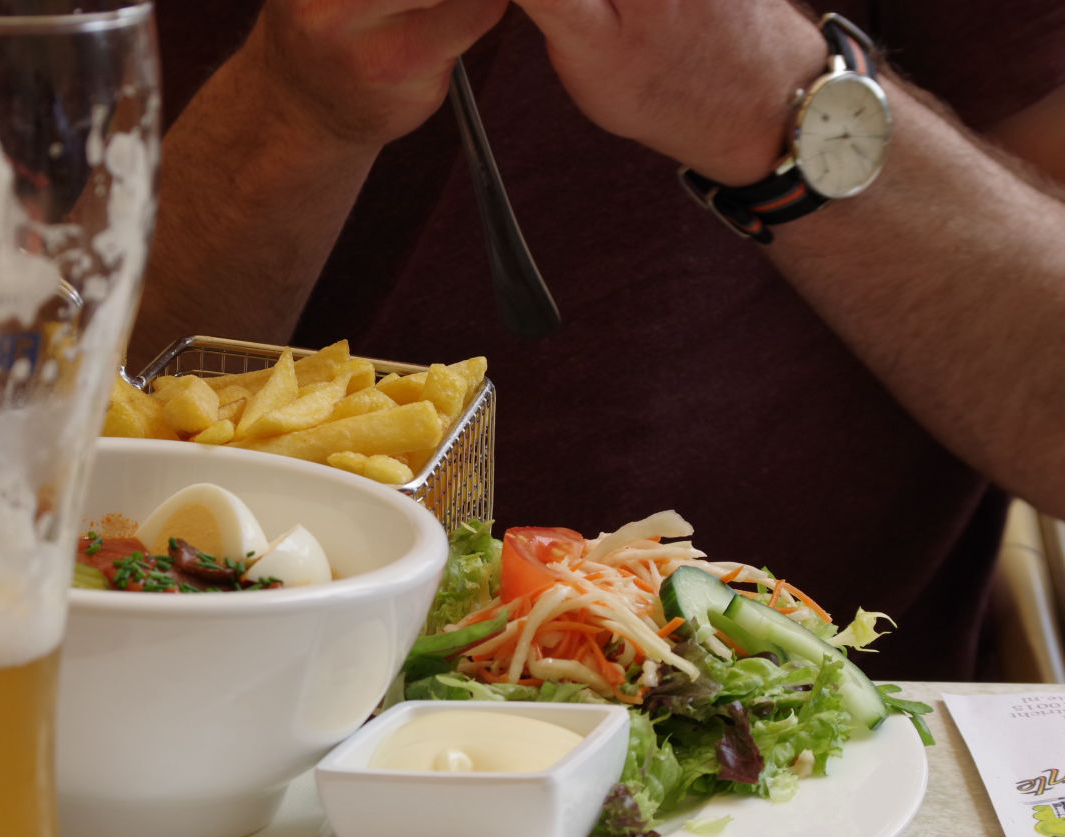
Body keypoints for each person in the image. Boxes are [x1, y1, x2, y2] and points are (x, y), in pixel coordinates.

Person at [130, 0, 1065, 681]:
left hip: (805, 778)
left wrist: (772, 104)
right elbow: (6, 446)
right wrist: (296, 104)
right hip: (172, 715)